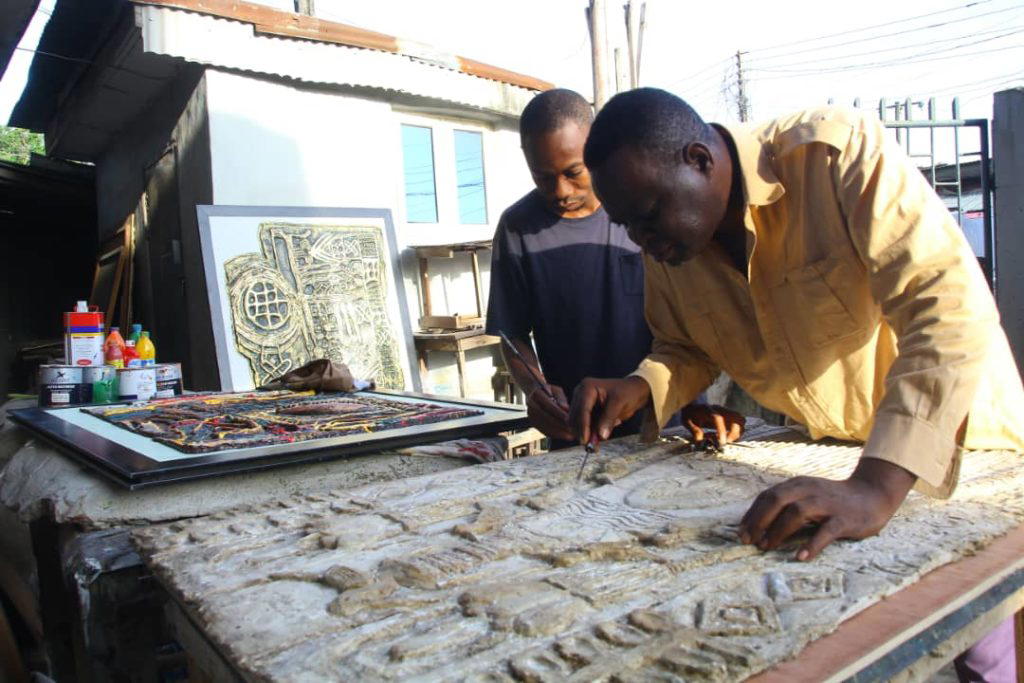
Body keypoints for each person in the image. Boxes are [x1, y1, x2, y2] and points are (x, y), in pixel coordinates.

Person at [570, 88, 1024, 681]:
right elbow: (684, 348)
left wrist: (875, 487)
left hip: (966, 450)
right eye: (628, 225)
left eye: (648, 217)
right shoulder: (671, 247)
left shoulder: (835, 155)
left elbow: (945, 308)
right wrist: (642, 383)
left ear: (700, 161)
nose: (640, 241)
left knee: (980, 643)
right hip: (834, 460)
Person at [486, 89, 699, 449]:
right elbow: (512, 333)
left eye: (574, 172)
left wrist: (694, 400)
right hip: (579, 431)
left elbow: (691, 324)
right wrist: (535, 389)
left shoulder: (641, 209)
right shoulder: (518, 228)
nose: (560, 190)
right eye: (543, 177)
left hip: (665, 420)